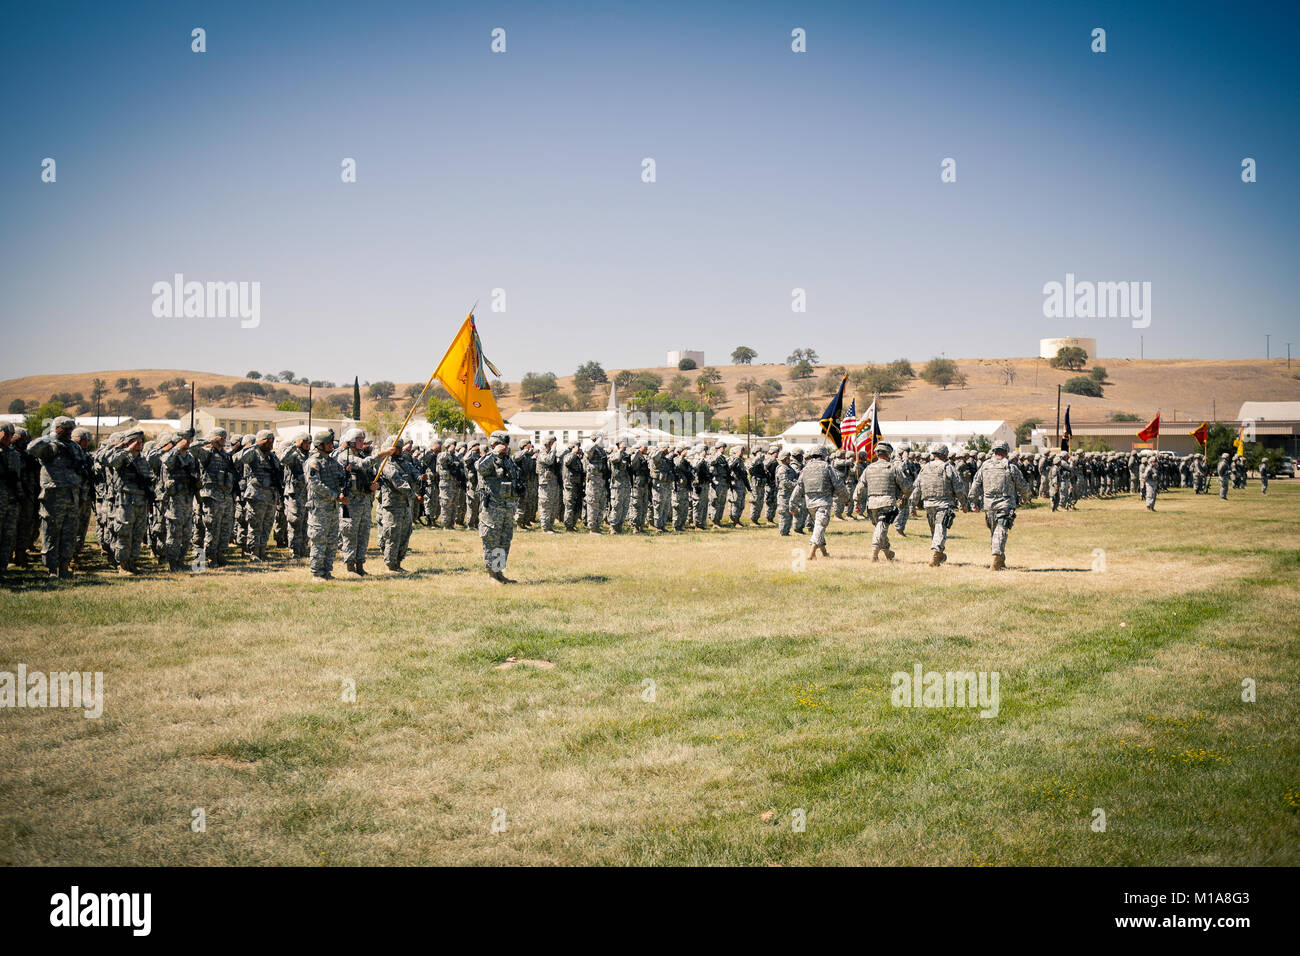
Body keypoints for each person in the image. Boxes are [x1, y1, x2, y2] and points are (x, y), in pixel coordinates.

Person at [26, 416, 89, 578]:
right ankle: (51, 569)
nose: (68, 432)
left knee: (69, 534)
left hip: (72, 495)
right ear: (57, 428)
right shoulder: (49, 445)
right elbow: (31, 448)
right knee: (51, 532)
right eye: (65, 429)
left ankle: (64, 566)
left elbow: (82, 471)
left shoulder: (74, 447)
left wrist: (82, 494)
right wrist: (51, 435)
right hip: (53, 495)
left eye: (70, 429)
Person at [969, 441, 1029, 570]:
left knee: (995, 532)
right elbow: (1022, 485)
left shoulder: (985, 466)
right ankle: (997, 556)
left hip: (989, 504)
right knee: (1000, 530)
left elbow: (976, 484)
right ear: (1006, 451)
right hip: (1005, 504)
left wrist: (973, 501)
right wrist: (1026, 497)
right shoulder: (1010, 466)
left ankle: (1000, 559)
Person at [910, 443, 969, 567]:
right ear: (944, 455)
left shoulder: (925, 468)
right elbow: (958, 487)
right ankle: (937, 552)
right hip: (944, 503)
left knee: (935, 530)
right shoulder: (947, 467)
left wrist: (912, 505)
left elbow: (917, 487)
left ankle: (939, 554)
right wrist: (964, 504)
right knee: (940, 528)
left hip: (928, 504)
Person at [856, 442, 911, 562]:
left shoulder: (869, 468)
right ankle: (874, 554)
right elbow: (906, 486)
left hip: (871, 505)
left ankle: (888, 553)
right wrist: (906, 497)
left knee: (880, 528)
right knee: (881, 528)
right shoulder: (893, 467)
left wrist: (856, 502)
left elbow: (861, 486)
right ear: (888, 454)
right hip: (887, 502)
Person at [477, 431, 520, 582]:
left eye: (507, 445)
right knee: (491, 540)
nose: (506, 448)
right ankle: (491, 575)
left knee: (504, 540)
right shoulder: (487, 459)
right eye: (503, 445)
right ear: (494, 445)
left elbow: (514, 481)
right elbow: (480, 468)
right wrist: (495, 454)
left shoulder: (508, 460)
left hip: (507, 506)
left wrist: (514, 503)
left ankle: (499, 572)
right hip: (492, 508)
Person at [305, 429, 347, 580]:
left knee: (331, 541)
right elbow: (316, 485)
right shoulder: (313, 462)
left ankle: (327, 571)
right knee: (319, 540)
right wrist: (336, 495)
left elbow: (340, 479)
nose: (331, 445)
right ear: (320, 445)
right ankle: (316, 572)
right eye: (328, 443)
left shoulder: (332, 462)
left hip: (333, 508)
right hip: (319, 508)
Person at [797, 446, 849, 558]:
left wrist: (792, 503)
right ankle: (812, 552)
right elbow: (839, 484)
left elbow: (799, 487)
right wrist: (846, 499)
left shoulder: (805, 469)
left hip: (810, 504)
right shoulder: (827, 467)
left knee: (819, 526)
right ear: (824, 456)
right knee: (820, 526)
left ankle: (824, 553)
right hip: (823, 502)